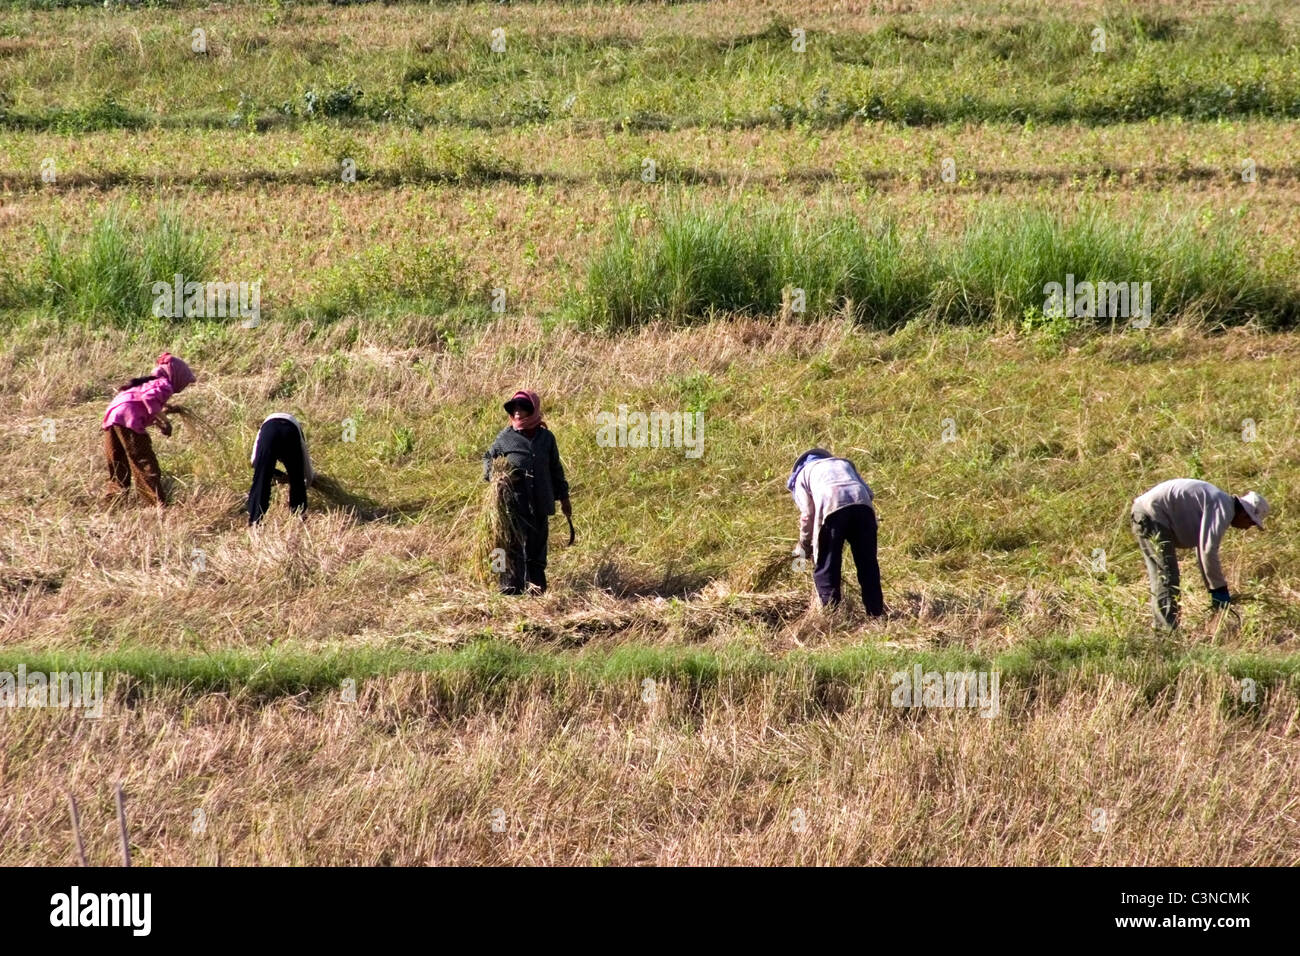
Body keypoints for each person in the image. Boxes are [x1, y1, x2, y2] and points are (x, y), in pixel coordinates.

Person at [1130, 478, 1268, 630]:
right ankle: (1165, 633)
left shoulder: (1220, 502)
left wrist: (1213, 587)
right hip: (1152, 515)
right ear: (1245, 515)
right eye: (1252, 523)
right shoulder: (1223, 507)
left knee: (1164, 575)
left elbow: (1202, 549)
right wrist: (1219, 589)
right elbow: (1208, 550)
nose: (1248, 528)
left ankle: (1163, 630)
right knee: (1166, 576)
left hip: (1147, 513)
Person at [482, 389, 571, 594]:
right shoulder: (506, 437)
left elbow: (555, 469)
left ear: (533, 410)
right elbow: (488, 457)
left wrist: (564, 497)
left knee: (537, 546)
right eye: (515, 409)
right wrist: (494, 476)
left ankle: (536, 588)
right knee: (509, 544)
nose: (518, 412)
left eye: (523, 408)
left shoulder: (546, 438)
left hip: (540, 501)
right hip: (513, 502)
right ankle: (509, 587)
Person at [788, 448, 884, 615]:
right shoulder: (843, 463)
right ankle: (876, 613)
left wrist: (804, 545)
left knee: (828, 564)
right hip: (863, 506)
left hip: (831, 507)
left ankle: (830, 616)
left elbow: (807, 516)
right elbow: (869, 493)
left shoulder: (803, 474)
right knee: (867, 563)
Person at [101, 351, 196, 506]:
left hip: (113, 417)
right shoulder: (165, 385)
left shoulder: (149, 383)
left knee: (118, 462)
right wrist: (166, 422)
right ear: (176, 376)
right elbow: (149, 399)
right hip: (128, 418)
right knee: (143, 460)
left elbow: (144, 404)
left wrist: (165, 411)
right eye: (185, 382)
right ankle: (156, 503)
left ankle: (114, 501)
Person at [248, 412, 316, 525]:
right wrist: (307, 482)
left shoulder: (262, 430)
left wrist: (273, 474)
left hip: (269, 433)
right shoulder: (298, 433)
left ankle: (255, 520)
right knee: (296, 478)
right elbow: (306, 470)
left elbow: (255, 461)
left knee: (261, 478)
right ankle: (298, 516)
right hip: (289, 432)